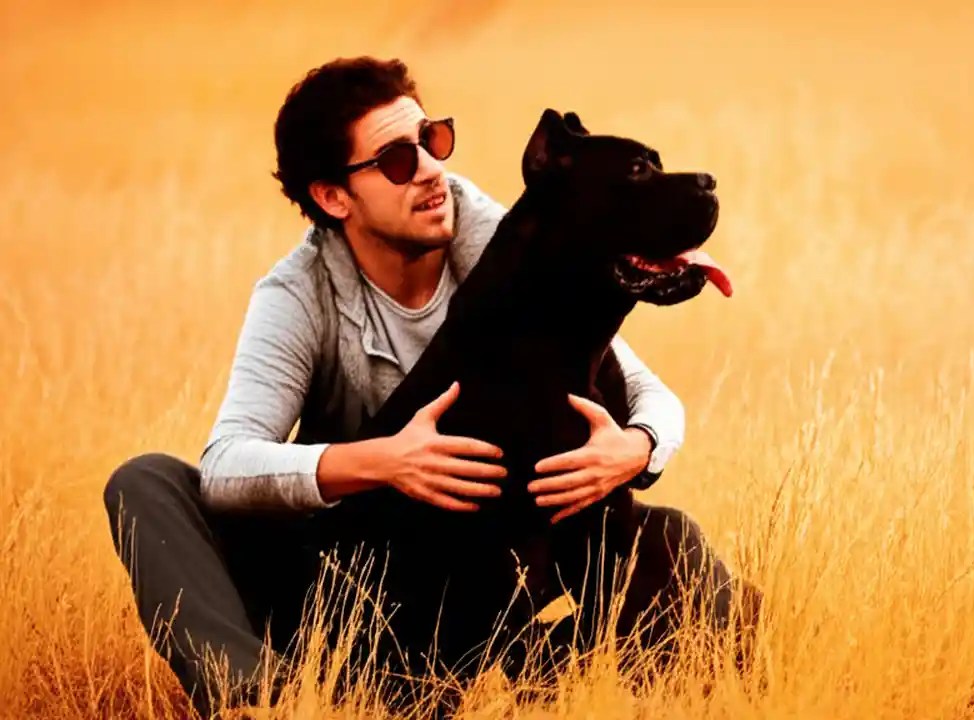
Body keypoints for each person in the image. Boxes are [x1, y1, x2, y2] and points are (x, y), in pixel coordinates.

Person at [102, 56, 754, 718]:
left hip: (480, 571)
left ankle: (552, 689)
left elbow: (647, 391)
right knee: (145, 481)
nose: (429, 168)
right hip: (341, 564)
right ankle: (252, 699)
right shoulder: (296, 294)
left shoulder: (491, 234)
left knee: (669, 542)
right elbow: (225, 466)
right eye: (395, 160)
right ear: (333, 196)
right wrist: (381, 462)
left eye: (432, 139)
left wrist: (637, 448)